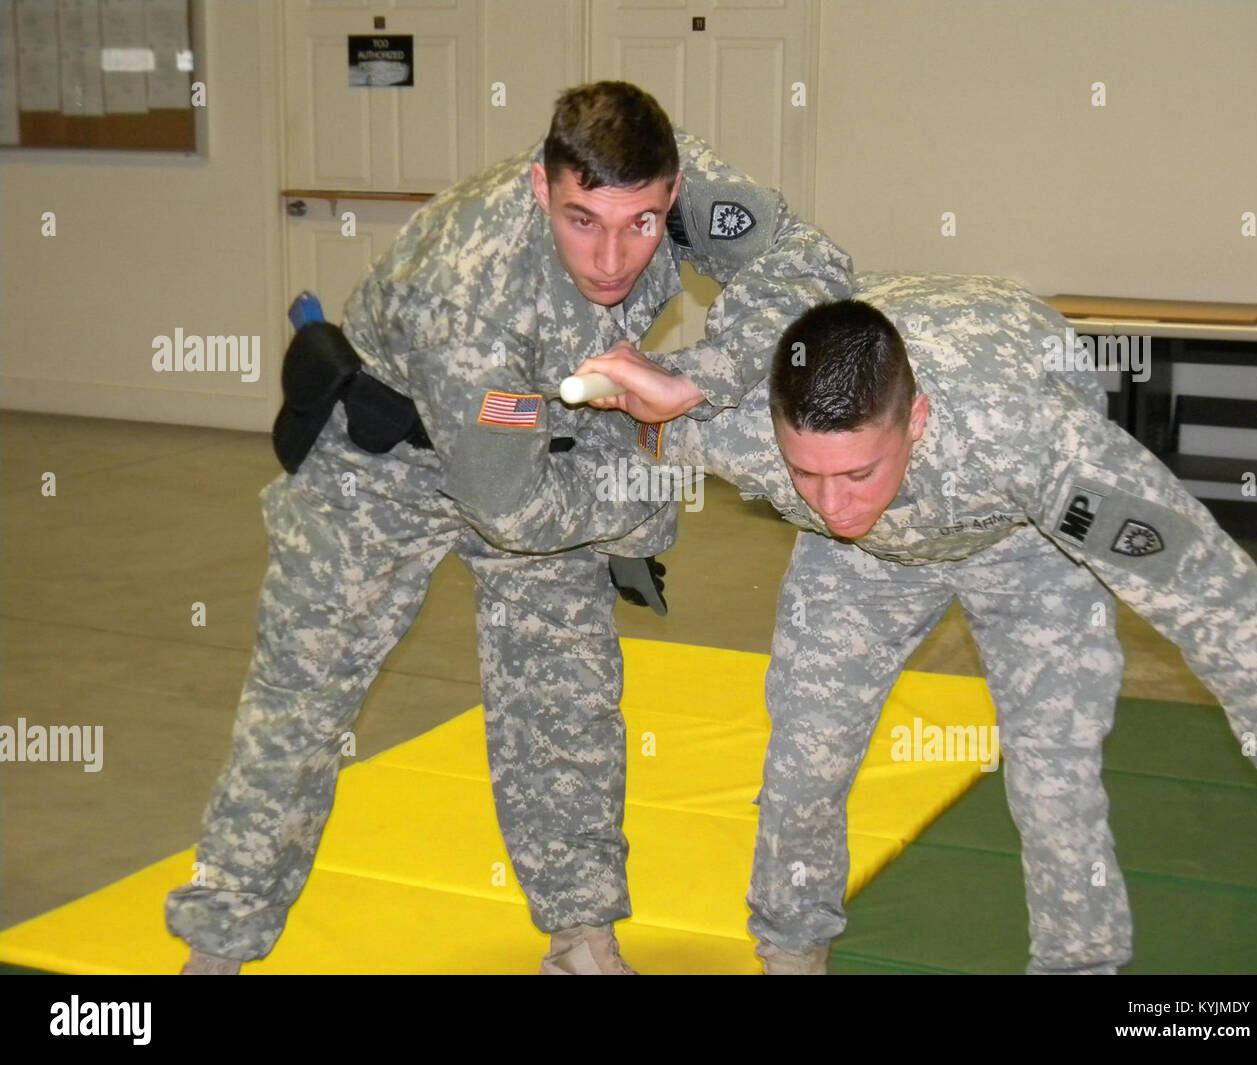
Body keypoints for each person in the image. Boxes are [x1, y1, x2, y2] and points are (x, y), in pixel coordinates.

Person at [164, 81, 853, 975]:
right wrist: (644, 503)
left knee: (563, 696)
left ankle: (580, 940)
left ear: (674, 192)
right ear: (540, 188)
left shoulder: (683, 193)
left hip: (552, 435)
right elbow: (512, 506)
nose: (612, 257)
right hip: (387, 465)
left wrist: (704, 371)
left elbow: (813, 266)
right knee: (302, 698)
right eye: (581, 221)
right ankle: (217, 949)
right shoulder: (472, 285)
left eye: (641, 224)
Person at [457, 272, 1257, 975]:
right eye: (806, 474)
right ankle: (791, 951)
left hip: (1021, 542)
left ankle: (1079, 965)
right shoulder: (740, 426)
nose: (831, 499)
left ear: (917, 422)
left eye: (856, 471)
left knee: (1056, 773)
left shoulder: (1029, 441)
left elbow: (1194, 575)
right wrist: (479, 406)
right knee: (806, 761)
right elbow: (555, 417)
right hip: (855, 568)